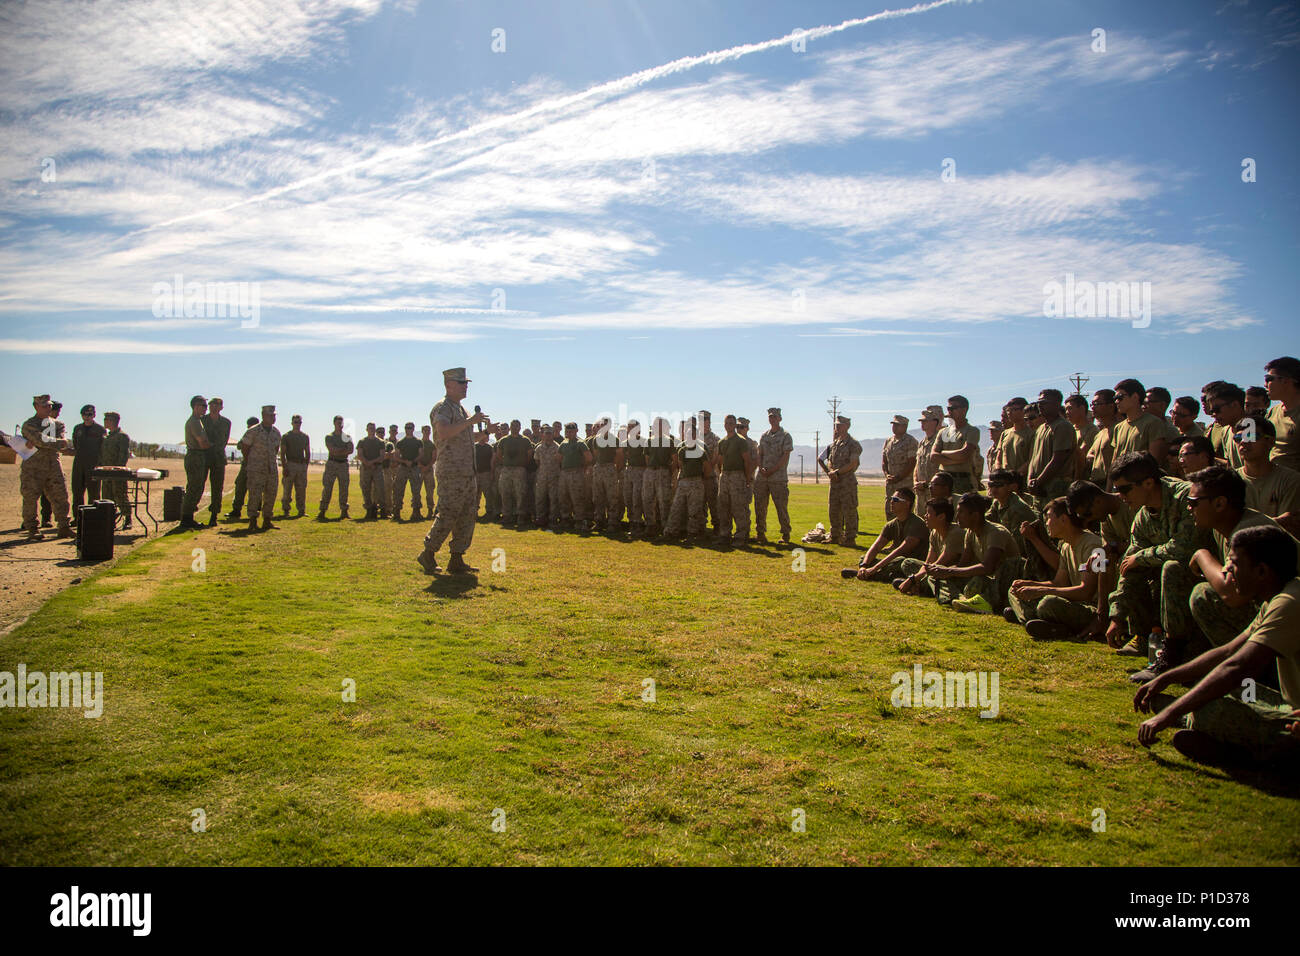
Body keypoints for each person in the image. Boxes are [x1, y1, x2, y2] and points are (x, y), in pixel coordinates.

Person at [1134, 525, 1300, 765]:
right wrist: (1166, 678)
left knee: (1210, 708)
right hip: (1291, 706)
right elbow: (1228, 651)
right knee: (1231, 690)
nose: (1226, 570)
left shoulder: (1290, 603)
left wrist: (1166, 716)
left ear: (1262, 571)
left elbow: (1237, 665)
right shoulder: (1276, 598)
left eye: (1233, 563)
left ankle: (1257, 758)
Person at [1104, 451, 1202, 665]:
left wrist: (1141, 557)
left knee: (1171, 568)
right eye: (1116, 489)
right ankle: (1142, 635)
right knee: (1131, 566)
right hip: (1170, 586)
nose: (1120, 496)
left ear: (1148, 483)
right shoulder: (1142, 517)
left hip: (1202, 579)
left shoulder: (1185, 497)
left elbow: (1185, 548)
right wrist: (1117, 616)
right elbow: (1130, 561)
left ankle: (1175, 650)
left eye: (1124, 489)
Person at [417, 368, 488, 575]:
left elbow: (466, 437)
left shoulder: (461, 410)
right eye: (461, 383)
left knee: (467, 515)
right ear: (448, 385)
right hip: (451, 472)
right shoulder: (443, 408)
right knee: (448, 513)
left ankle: (456, 559)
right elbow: (444, 432)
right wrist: (471, 422)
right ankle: (428, 553)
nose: (466, 386)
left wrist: (483, 433)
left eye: (466, 383)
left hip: (467, 472)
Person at [1007, 497, 1104, 640]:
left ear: (1064, 519)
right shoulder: (1066, 546)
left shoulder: (1093, 545)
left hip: (1091, 608)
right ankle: (1040, 622)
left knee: (1049, 603)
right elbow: (1059, 583)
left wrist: (1042, 590)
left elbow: (1086, 592)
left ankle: (1031, 618)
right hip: (1074, 602)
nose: (1046, 523)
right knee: (1014, 590)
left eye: (1048, 518)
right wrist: (1030, 585)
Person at [928, 492, 1022, 615]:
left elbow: (987, 568)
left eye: (961, 513)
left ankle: (972, 601)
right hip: (985, 580)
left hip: (1003, 582)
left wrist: (949, 571)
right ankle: (959, 599)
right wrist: (942, 571)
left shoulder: (996, 532)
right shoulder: (970, 533)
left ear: (975, 516)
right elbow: (963, 564)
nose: (957, 517)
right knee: (938, 577)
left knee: (974, 583)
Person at [1233, 414, 1300, 535]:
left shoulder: (1290, 480)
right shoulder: (1230, 480)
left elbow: (1287, 529)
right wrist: (1275, 522)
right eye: (1238, 437)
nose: (1243, 442)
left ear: (1270, 441)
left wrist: (1244, 527)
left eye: (1250, 436)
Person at [19, 394, 72, 539]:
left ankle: (64, 526)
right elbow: (45, 440)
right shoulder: (29, 424)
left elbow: (62, 443)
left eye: (49, 405)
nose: (48, 408)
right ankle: (32, 529)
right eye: (44, 406)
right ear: (36, 407)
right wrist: (54, 442)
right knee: (30, 497)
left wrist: (40, 441)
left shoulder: (58, 424)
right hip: (33, 467)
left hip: (53, 466)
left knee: (61, 496)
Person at [896, 499, 965, 605]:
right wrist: (915, 578)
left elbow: (940, 563)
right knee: (908, 563)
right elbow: (928, 563)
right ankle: (922, 586)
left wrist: (912, 579)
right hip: (936, 570)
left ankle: (949, 596)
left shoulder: (956, 534)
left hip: (953, 573)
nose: (925, 516)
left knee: (934, 575)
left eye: (928, 513)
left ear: (941, 517)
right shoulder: (934, 532)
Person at [849, 487, 927, 582]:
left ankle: (872, 574)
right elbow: (876, 546)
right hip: (896, 561)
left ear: (907, 503)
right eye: (891, 499)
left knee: (903, 562)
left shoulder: (917, 524)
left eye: (896, 500)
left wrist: (874, 569)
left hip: (913, 563)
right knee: (864, 558)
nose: (891, 502)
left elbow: (900, 550)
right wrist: (864, 565)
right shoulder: (892, 524)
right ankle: (868, 573)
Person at [1026, 389, 1076, 511]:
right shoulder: (1041, 429)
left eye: (1044, 402)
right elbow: (1033, 459)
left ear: (1057, 404)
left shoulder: (1062, 426)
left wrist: (1039, 482)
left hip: (1055, 485)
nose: (1040, 405)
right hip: (1039, 486)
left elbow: (1058, 459)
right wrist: (1030, 480)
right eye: (1039, 402)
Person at [663, 429, 712, 540]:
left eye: (692, 435)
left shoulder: (701, 451)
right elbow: (680, 465)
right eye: (688, 434)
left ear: (696, 436)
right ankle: (671, 532)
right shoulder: (682, 450)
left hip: (696, 481)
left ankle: (692, 533)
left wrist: (700, 479)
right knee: (676, 507)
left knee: (694, 510)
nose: (690, 436)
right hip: (683, 482)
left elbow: (708, 469)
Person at [239, 405, 281, 532]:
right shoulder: (253, 431)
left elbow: (275, 450)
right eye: (270, 415)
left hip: (271, 469)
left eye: (274, 415)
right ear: (263, 416)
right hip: (256, 468)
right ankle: (252, 521)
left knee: (271, 494)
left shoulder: (276, 432)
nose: (273, 418)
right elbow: (245, 448)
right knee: (255, 494)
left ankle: (267, 520)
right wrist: (250, 462)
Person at [753, 407, 793, 545]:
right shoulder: (764, 436)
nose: (772, 419)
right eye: (770, 417)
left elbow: (785, 457)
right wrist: (761, 468)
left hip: (778, 478)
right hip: (763, 477)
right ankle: (760, 533)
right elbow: (759, 454)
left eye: (775, 417)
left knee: (781, 507)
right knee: (760, 507)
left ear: (780, 418)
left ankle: (785, 534)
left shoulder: (786, 436)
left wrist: (773, 470)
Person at [1110, 378, 1169, 466]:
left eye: (1120, 397)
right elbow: (1114, 461)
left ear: (1135, 397)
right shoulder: (1118, 427)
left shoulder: (1153, 423)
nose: (1116, 401)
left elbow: (1154, 461)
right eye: (1115, 398)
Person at [715, 414, 753, 546]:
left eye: (732, 423)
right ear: (724, 425)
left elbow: (747, 461)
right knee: (723, 506)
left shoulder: (741, 441)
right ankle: (725, 534)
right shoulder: (722, 442)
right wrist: (723, 475)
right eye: (728, 423)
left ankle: (740, 535)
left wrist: (747, 479)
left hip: (738, 476)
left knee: (738, 506)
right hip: (725, 476)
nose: (730, 425)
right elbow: (719, 462)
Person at [823, 415, 861, 547]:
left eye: (840, 425)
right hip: (835, 482)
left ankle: (850, 538)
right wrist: (831, 471)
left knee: (849, 509)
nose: (837, 427)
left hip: (847, 482)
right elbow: (830, 461)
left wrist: (838, 472)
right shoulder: (834, 444)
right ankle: (835, 536)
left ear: (847, 426)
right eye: (836, 425)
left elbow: (853, 463)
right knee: (833, 509)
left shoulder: (853, 444)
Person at [932, 395, 980, 494]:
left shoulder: (972, 431)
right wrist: (957, 460)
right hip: (943, 479)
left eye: (953, 408)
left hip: (962, 480)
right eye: (948, 408)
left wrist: (943, 453)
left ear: (964, 409)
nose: (950, 411)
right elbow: (933, 456)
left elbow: (964, 454)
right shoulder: (943, 432)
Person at [69, 404, 105, 524]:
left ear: (94, 415)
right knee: (77, 491)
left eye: (89, 414)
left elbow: (102, 448)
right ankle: (78, 517)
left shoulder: (100, 430)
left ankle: (92, 517)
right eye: (84, 414)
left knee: (94, 492)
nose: (87, 417)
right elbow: (75, 443)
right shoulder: (78, 428)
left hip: (93, 464)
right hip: (79, 463)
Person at [180, 395, 211, 529]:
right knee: (194, 487)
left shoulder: (198, 421)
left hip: (197, 456)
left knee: (197, 486)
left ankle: (188, 517)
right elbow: (202, 443)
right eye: (204, 406)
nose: (206, 409)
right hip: (195, 455)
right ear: (196, 407)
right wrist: (211, 445)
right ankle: (186, 518)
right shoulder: (194, 422)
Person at [1264, 356, 1300, 472]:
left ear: (1286, 380)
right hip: (1273, 484)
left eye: (1269, 379)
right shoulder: (1272, 412)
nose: (1265, 384)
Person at [494, 420, 532, 526]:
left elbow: (529, 455)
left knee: (520, 493)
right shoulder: (504, 440)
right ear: (510, 428)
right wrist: (505, 463)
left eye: (517, 426)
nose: (515, 428)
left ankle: (520, 515)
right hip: (506, 469)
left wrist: (522, 464)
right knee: (505, 492)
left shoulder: (525, 440)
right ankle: (507, 515)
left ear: (520, 427)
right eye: (513, 426)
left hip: (520, 469)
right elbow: (499, 454)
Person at [642, 418, 676, 538]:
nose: (657, 427)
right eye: (656, 425)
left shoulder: (669, 441)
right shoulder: (649, 441)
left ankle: (665, 527)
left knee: (664, 501)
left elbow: (674, 459)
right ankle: (650, 525)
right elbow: (647, 458)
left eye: (660, 425)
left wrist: (669, 473)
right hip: (650, 471)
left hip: (663, 471)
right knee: (648, 499)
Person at [881, 414, 918, 521]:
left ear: (905, 426)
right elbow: (884, 461)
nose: (894, 427)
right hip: (891, 485)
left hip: (904, 485)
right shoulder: (888, 441)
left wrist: (898, 477)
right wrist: (887, 475)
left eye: (898, 425)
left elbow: (911, 463)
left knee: (904, 515)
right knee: (890, 512)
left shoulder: (910, 442)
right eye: (893, 424)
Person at [98, 412, 131, 528]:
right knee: (107, 496)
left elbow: (123, 455)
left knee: (120, 495)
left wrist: (118, 468)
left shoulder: (122, 436)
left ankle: (127, 518)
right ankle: (110, 520)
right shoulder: (106, 437)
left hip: (117, 473)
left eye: (107, 419)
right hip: (106, 472)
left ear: (114, 421)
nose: (105, 421)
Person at [202, 397, 232, 526]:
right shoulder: (202, 420)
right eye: (211, 404)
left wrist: (214, 447)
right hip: (204, 457)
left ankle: (214, 514)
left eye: (217, 404)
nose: (213, 406)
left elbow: (224, 440)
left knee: (217, 488)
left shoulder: (226, 422)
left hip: (218, 458)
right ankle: (189, 514)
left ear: (221, 407)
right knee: (197, 485)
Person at [225, 416, 260, 520]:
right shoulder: (248, 433)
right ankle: (237, 510)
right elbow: (240, 445)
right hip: (247, 465)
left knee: (256, 487)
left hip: (256, 465)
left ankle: (255, 510)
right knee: (240, 485)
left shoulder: (259, 434)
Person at [1083, 389, 1120, 488]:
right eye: (1092, 404)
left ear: (1111, 406)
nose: (1093, 408)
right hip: (1096, 483)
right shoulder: (1100, 433)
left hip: (1110, 484)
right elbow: (1089, 456)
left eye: (1096, 404)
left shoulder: (1118, 430)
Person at [319, 415, 353, 520]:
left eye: (341, 423)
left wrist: (339, 450)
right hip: (332, 464)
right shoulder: (329, 437)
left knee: (344, 488)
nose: (340, 425)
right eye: (338, 422)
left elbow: (351, 450)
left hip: (343, 464)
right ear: (334, 423)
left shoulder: (347, 437)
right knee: (327, 488)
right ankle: (322, 511)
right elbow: (332, 450)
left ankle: (344, 511)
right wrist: (343, 450)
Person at [590, 417, 621, 532]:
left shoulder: (614, 439)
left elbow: (619, 457)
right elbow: (596, 454)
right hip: (599, 468)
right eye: (602, 425)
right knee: (598, 496)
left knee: (612, 497)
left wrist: (614, 469)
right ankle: (599, 521)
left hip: (609, 468)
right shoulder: (596, 440)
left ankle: (612, 522)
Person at [993, 397, 1033, 481]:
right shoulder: (1005, 433)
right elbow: (999, 458)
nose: (1009, 413)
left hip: (1023, 481)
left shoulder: (1032, 433)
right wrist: (999, 471)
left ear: (1024, 411)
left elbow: (1032, 460)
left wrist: (1014, 476)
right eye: (1008, 410)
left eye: (1014, 410)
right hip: (1005, 483)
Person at [913, 405, 943, 511]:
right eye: (922, 421)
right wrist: (916, 482)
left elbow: (942, 467)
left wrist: (927, 485)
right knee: (920, 524)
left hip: (934, 492)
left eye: (925, 421)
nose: (922, 423)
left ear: (935, 422)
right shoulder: (922, 442)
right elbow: (917, 466)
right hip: (921, 494)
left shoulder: (941, 441)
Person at [279, 414, 311, 518]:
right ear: (292, 423)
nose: (298, 424)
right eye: (296, 422)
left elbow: (307, 452)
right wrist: (285, 467)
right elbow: (282, 453)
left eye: (299, 422)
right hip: (290, 464)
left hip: (301, 465)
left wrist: (305, 465)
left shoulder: (305, 437)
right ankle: (286, 510)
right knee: (287, 489)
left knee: (301, 489)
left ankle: (301, 510)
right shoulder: (286, 436)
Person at [392, 422, 424, 521]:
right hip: (403, 468)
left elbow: (421, 454)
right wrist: (404, 461)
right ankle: (396, 512)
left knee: (416, 490)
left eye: (410, 428)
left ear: (413, 429)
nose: (408, 429)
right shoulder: (400, 442)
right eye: (406, 428)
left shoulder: (418, 442)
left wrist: (413, 461)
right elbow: (396, 456)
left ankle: (416, 512)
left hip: (414, 468)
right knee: (398, 490)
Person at [533, 425, 562, 529]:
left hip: (554, 476)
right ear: (543, 435)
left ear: (553, 434)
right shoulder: (539, 448)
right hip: (542, 476)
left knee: (553, 498)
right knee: (540, 497)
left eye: (550, 433)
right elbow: (537, 461)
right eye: (546, 433)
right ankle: (540, 518)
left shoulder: (558, 447)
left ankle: (553, 519)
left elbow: (560, 461)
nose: (548, 436)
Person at [622, 419, 648, 537]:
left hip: (640, 471)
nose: (630, 429)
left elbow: (647, 458)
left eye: (633, 427)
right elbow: (624, 456)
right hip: (629, 471)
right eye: (629, 427)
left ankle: (638, 523)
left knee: (637, 498)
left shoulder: (644, 442)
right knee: (628, 497)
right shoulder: (626, 443)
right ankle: (632, 521)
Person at [1064, 393, 1097, 481]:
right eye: (1066, 409)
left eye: (1070, 408)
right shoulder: (1070, 430)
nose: (1067, 412)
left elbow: (1081, 454)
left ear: (1082, 408)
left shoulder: (1092, 430)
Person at [356, 423, 385, 520]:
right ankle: (368, 510)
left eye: (373, 428)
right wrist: (367, 463)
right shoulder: (362, 442)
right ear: (366, 429)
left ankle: (380, 510)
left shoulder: (380, 442)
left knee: (380, 489)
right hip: (366, 468)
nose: (371, 430)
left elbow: (382, 456)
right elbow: (360, 455)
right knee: (366, 489)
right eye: (370, 428)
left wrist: (372, 463)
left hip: (377, 468)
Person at [419, 424, 437, 518]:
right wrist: (421, 466)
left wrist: (427, 467)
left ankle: (430, 510)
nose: (427, 432)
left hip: (429, 470)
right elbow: (415, 456)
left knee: (430, 492)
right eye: (425, 430)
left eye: (428, 430)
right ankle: (416, 511)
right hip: (419, 470)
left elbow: (434, 457)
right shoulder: (418, 443)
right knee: (416, 491)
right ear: (422, 431)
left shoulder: (432, 445)